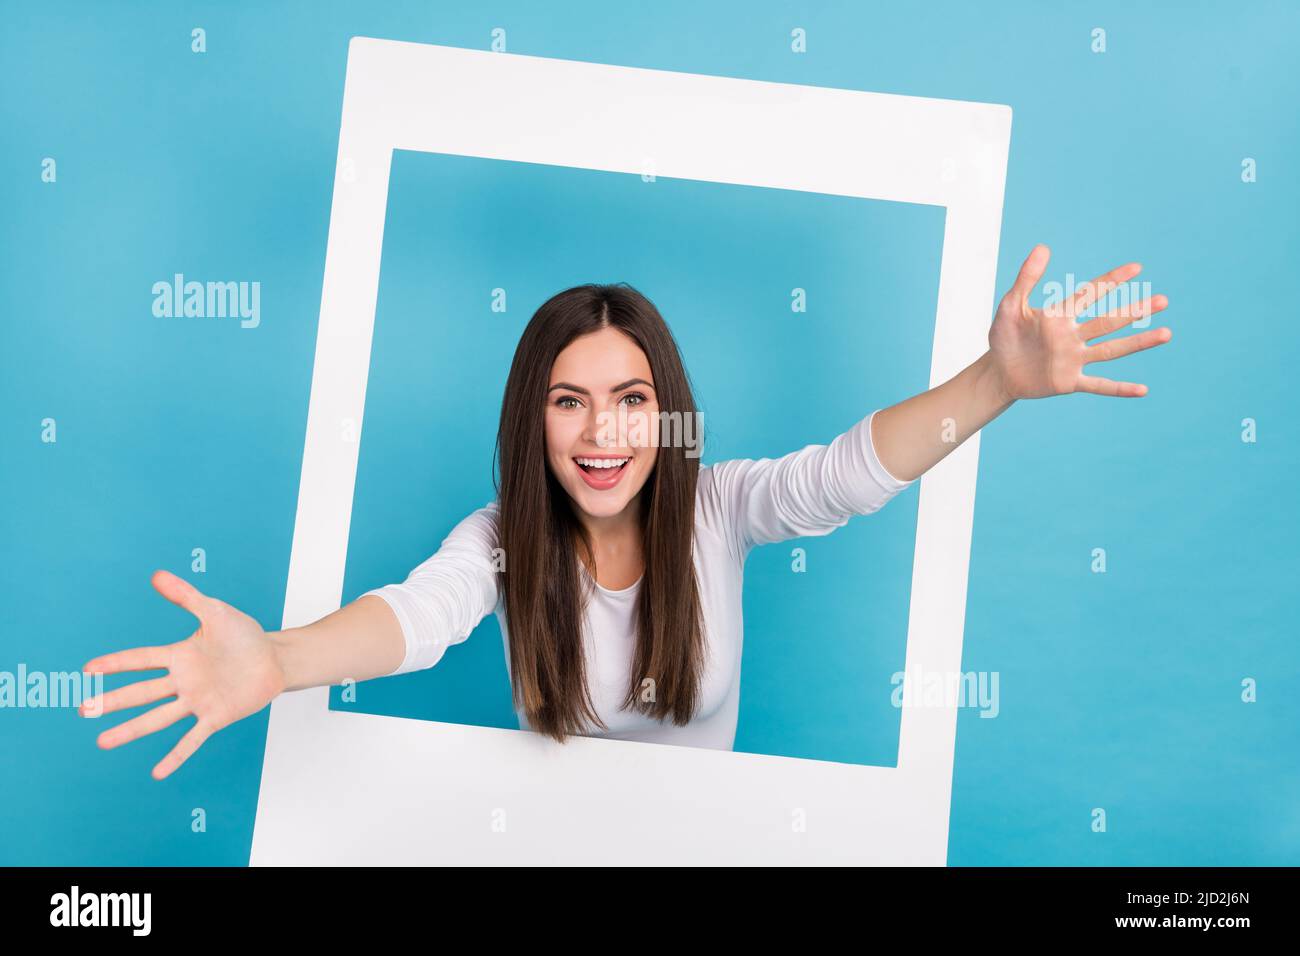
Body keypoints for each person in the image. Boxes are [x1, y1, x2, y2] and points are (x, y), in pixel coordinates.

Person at [80, 245, 1171, 779]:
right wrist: (276, 656)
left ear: (666, 413)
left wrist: (995, 381)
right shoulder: (501, 541)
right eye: (569, 402)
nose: (601, 435)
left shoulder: (723, 504)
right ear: (534, 419)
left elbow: (849, 470)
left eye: (630, 401)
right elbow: (414, 618)